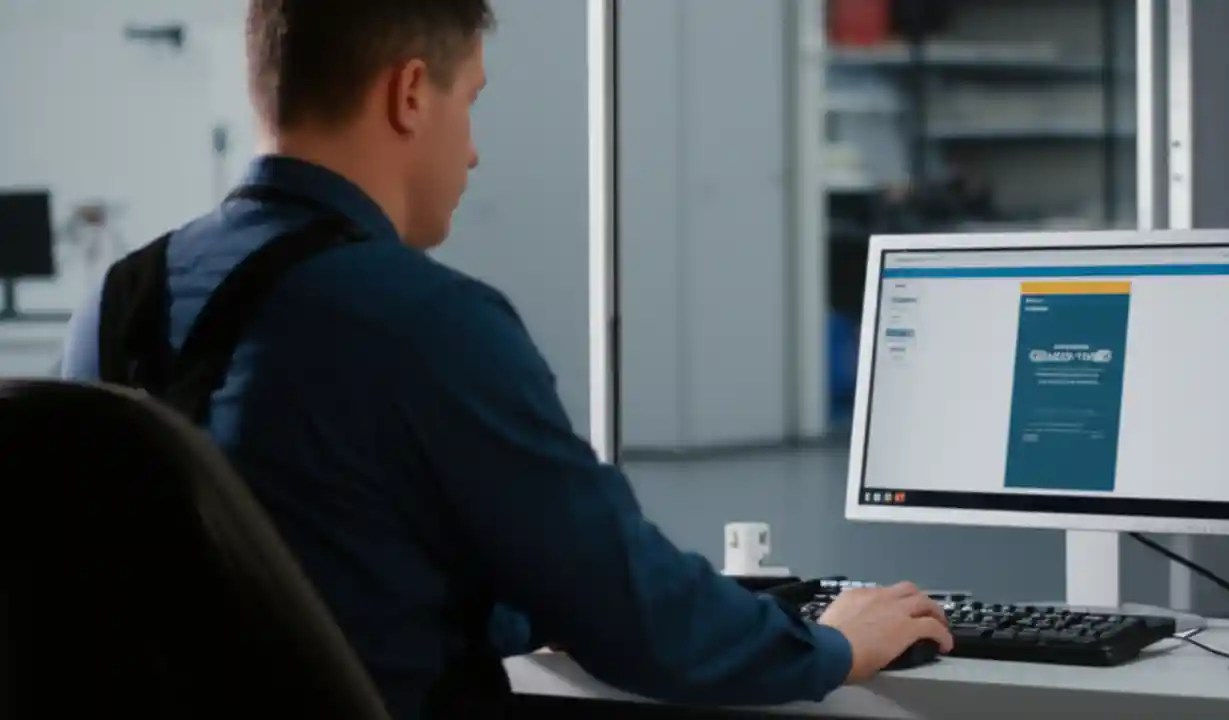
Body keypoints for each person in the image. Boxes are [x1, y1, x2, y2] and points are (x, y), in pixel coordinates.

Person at [60, 1, 953, 718]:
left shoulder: (115, 304)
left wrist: (525, 604)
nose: (475, 148)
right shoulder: (425, 322)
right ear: (411, 93)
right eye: (471, 100)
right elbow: (640, 622)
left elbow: (303, 567)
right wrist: (835, 642)